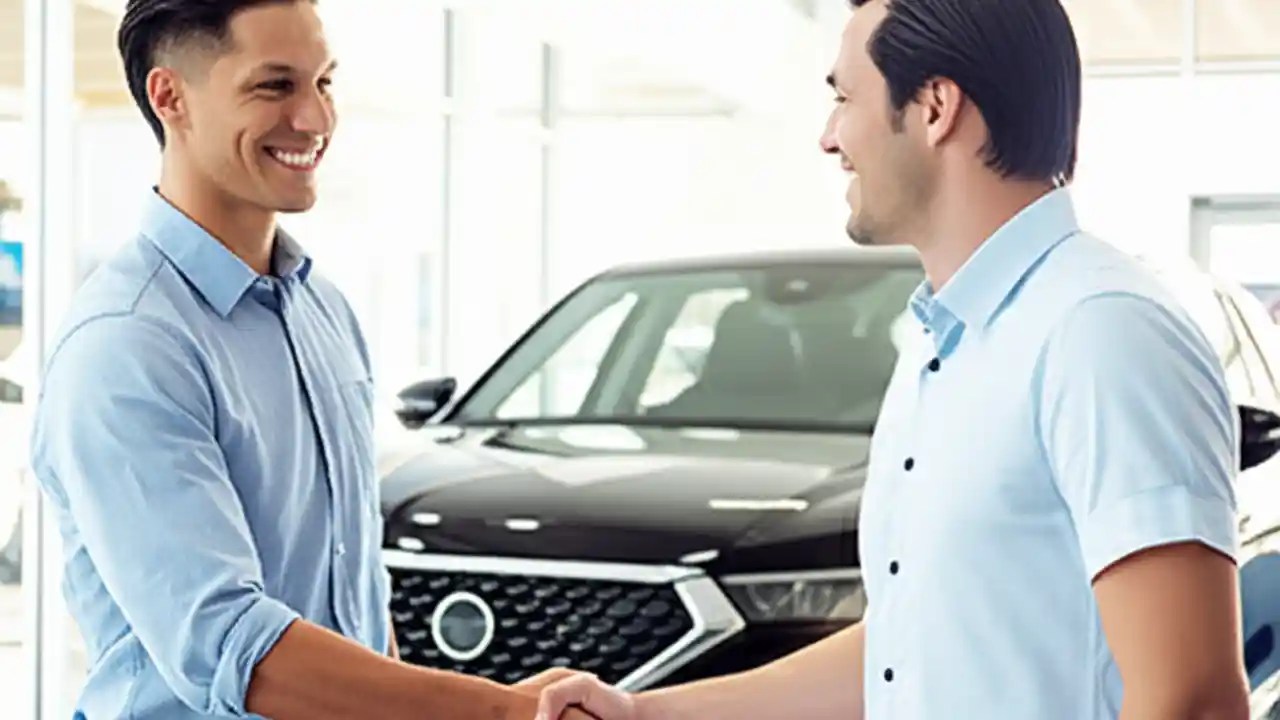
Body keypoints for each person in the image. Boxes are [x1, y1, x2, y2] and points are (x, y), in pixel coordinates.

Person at [532, 1, 1252, 719]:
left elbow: (1191, 701)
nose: (828, 138)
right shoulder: (944, 342)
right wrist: (637, 712)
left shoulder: (1101, 332)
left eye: (844, 98)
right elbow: (907, 652)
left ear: (935, 107)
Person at [28, 2, 592, 719]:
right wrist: (494, 711)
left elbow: (353, 587)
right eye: (275, 87)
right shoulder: (128, 344)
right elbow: (234, 646)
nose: (315, 118)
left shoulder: (323, 310)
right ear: (170, 97)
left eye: (323, 83)